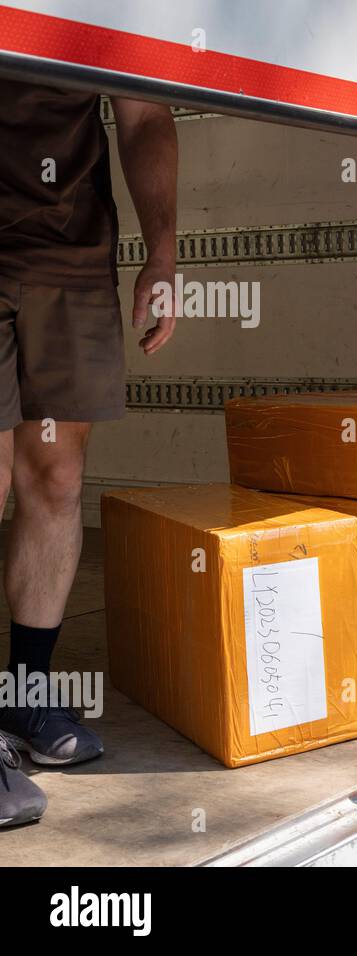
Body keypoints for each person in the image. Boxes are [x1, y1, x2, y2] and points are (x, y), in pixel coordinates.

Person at [0, 79, 178, 827]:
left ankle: (25, 698)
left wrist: (163, 247)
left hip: (67, 254)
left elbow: (143, 115)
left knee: (56, 475)